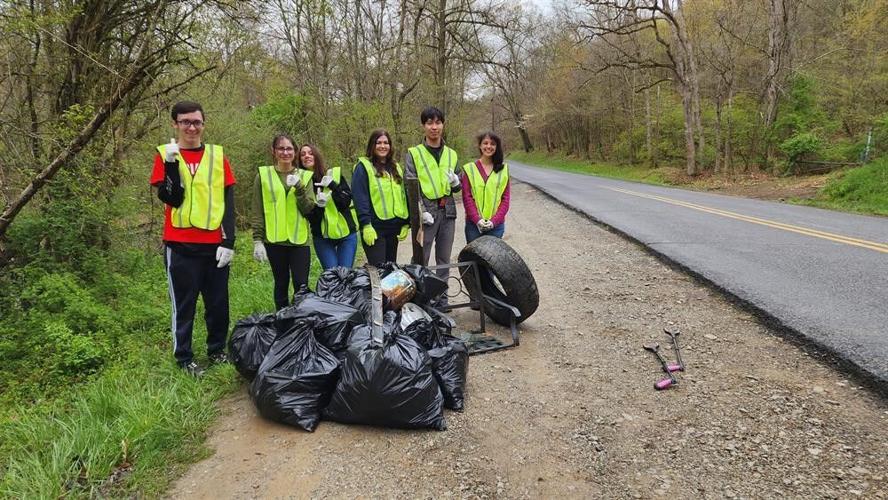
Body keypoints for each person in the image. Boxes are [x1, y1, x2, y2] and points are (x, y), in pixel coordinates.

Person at [151, 101, 236, 377]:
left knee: (218, 303)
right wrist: (172, 165)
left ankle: (217, 350)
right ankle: (184, 358)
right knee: (184, 305)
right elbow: (172, 198)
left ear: (203, 124)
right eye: (185, 121)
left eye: (196, 122)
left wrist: (229, 241)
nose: (191, 127)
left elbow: (228, 200)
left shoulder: (217, 155)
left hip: (214, 245)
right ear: (175, 124)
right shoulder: (165, 155)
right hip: (180, 245)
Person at [251, 134, 315, 310]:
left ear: (295, 152)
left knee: (301, 286)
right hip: (274, 240)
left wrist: (299, 188)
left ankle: (300, 323)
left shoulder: (305, 176)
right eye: (281, 148)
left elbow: (309, 209)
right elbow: (257, 210)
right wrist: (257, 240)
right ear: (274, 151)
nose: (285, 152)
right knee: (280, 284)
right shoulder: (263, 176)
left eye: (289, 149)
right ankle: (282, 322)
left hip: (299, 241)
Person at [404, 106, 460, 286]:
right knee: (421, 258)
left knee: (444, 260)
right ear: (423, 126)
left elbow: (458, 185)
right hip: (425, 213)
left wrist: (456, 183)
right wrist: (421, 211)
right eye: (429, 123)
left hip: (448, 211)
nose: (434, 127)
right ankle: (422, 301)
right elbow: (410, 186)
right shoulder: (414, 153)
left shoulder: (452, 154)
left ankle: (441, 301)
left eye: (438, 122)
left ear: (443, 125)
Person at [352, 129, 410, 266]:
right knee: (378, 272)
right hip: (374, 228)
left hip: (393, 228)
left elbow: (402, 196)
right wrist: (365, 224)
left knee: (391, 271)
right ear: (372, 145)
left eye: (386, 143)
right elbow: (360, 198)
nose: (382, 146)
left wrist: (406, 222)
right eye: (378, 142)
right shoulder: (363, 167)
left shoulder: (395, 167)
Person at [300, 144, 358, 270]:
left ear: (316, 155)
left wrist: (333, 185)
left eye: (310, 153)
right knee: (331, 277)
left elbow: (346, 202)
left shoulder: (333, 174)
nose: (307, 156)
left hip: (346, 234)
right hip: (322, 237)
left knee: (345, 275)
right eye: (303, 154)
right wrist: (320, 205)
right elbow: (311, 217)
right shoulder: (300, 183)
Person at [461, 131, 510, 243]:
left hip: (496, 226)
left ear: (497, 147)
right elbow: (467, 197)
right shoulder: (470, 169)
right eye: (485, 143)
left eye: (492, 144)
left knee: (492, 259)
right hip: (473, 225)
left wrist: (494, 221)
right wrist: (477, 220)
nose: (489, 146)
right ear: (480, 145)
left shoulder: (504, 170)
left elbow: (505, 199)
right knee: (473, 258)